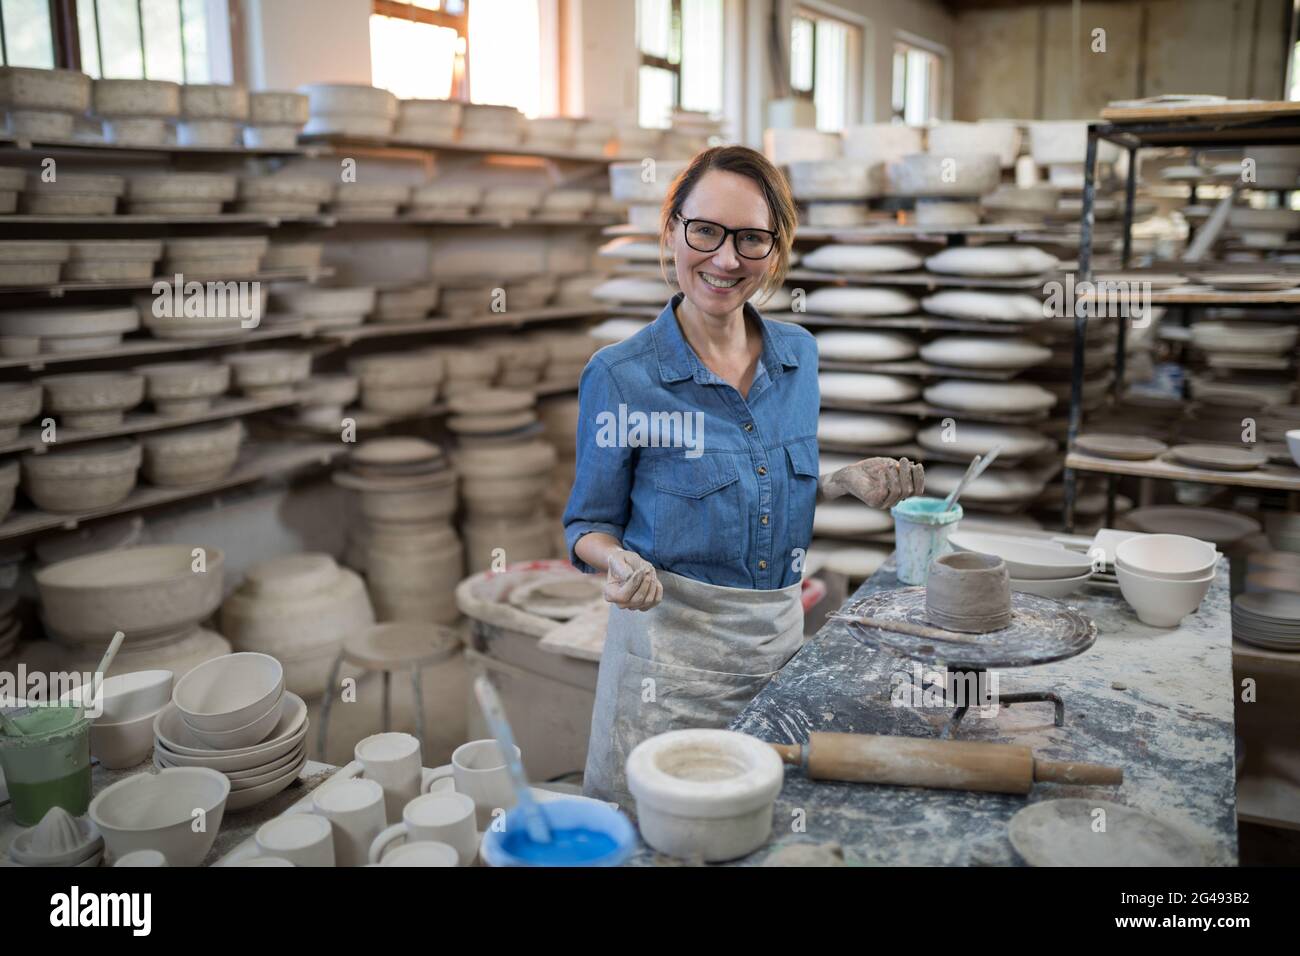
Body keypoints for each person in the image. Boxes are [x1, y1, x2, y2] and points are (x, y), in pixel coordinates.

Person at [563, 145, 924, 806]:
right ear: (671, 229)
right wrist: (614, 562)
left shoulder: (797, 357)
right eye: (706, 231)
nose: (727, 260)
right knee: (660, 836)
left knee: (759, 829)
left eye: (752, 239)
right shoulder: (621, 375)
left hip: (776, 653)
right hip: (665, 670)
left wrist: (843, 481)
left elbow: (759, 481)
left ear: (775, 250)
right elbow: (587, 522)